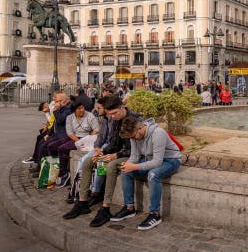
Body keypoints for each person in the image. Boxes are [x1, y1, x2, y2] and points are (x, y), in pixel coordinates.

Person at [64, 96, 142, 226]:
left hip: (132, 155)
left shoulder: (135, 119)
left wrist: (115, 155)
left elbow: (136, 150)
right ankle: (82, 202)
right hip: (118, 153)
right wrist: (101, 152)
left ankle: (105, 208)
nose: (111, 117)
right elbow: (112, 142)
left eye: (114, 113)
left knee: (111, 166)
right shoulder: (115, 118)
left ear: (123, 108)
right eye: (109, 114)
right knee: (89, 161)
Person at [110, 115, 183, 230]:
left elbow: (157, 162)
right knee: (125, 172)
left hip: (171, 160)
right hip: (150, 159)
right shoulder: (134, 135)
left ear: (139, 128)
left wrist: (134, 166)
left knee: (153, 174)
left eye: (133, 136)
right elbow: (134, 156)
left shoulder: (158, 133)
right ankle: (129, 208)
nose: (133, 139)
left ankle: (155, 214)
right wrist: (128, 165)